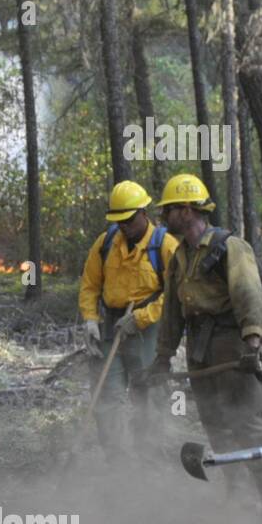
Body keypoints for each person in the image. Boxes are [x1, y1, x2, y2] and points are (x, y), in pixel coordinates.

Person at [141, 173, 262, 515]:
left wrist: (253, 345)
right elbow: (172, 315)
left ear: (188, 210)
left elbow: (248, 295)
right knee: (215, 423)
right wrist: (162, 358)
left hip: (232, 344)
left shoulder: (229, 247)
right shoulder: (180, 256)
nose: (164, 218)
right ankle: (238, 497)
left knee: (248, 422)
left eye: (170, 211)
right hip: (200, 347)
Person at [76, 180, 177, 458]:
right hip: (110, 326)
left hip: (148, 331)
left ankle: (150, 460)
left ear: (144, 213)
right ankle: (117, 464)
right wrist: (90, 319)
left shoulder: (165, 246)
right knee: (106, 395)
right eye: (118, 221)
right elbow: (90, 284)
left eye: (129, 220)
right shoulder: (105, 242)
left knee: (149, 397)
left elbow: (177, 294)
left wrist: (143, 317)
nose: (124, 226)